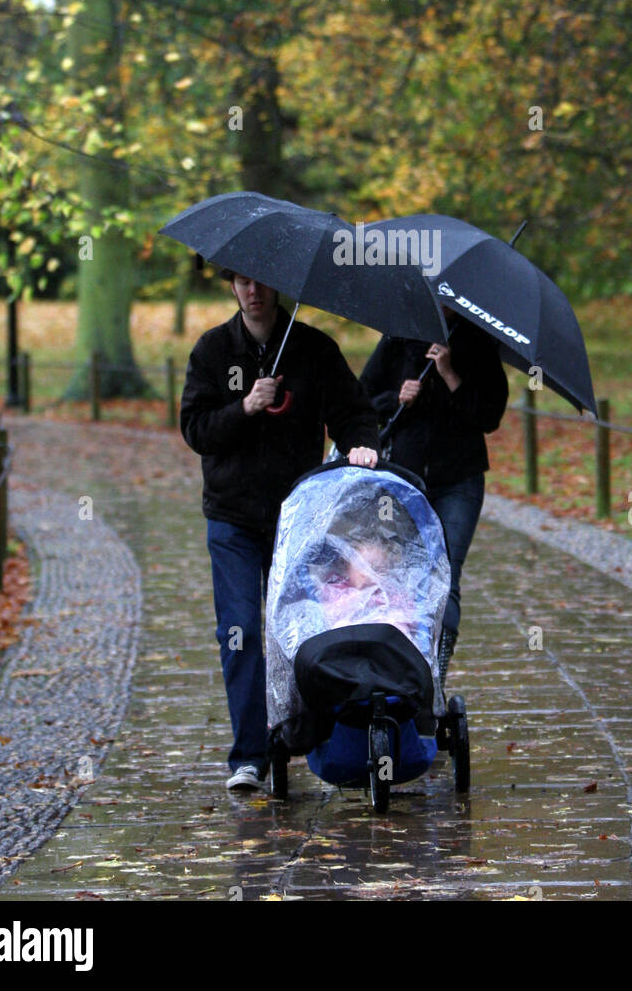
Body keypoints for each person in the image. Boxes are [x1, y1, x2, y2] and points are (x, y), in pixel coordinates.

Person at [180, 272, 381, 792]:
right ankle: (250, 755)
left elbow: (354, 414)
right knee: (240, 632)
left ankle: (309, 737)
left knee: (305, 632)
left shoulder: (313, 349)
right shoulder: (212, 351)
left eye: (264, 282)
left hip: (298, 518)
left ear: (279, 287)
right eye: (243, 281)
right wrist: (245, 406)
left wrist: (360, 446)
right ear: (231, 286)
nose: (254, 291)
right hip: (232, 517)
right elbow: (196, 431)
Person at [359, 316, 508, 688]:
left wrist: (449, 374)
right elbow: (362, 398)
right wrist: (397, 397)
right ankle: (401, 667)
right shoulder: (399, 334)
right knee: (399, 574)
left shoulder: (478, 343)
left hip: (459, 480)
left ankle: (436, 672)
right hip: (405, 481)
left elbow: (489, 416)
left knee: (445, 574)